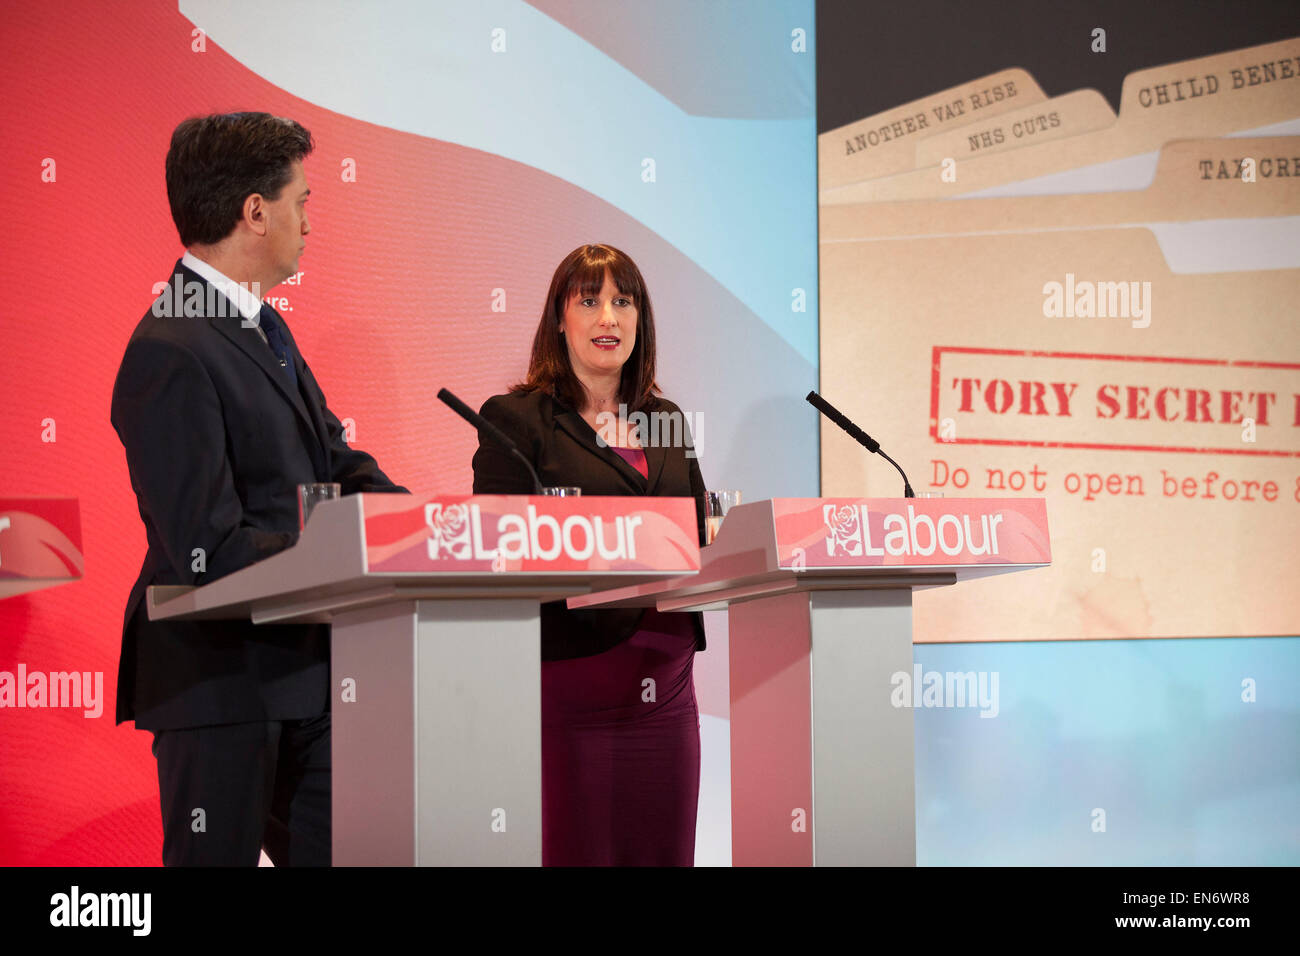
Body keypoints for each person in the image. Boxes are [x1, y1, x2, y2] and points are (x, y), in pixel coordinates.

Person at [110, 112, 407, 866]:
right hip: (220, 685)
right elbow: (206, 546)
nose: (311, 222)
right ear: (254, 211)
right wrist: (337, 545)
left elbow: (334, 459)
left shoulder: (262, 329)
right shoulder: (169, 347)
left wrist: (419, 525)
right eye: (302, 202)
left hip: (308, 677)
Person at [471, 243, 708, 866]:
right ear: (560, 319)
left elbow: (698, 537)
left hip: (667, 688)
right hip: (570, 692)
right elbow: (495, 553)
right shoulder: (518, 421)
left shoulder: (667, 421)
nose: (609, 317)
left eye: (623, 302)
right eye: (590, 300)